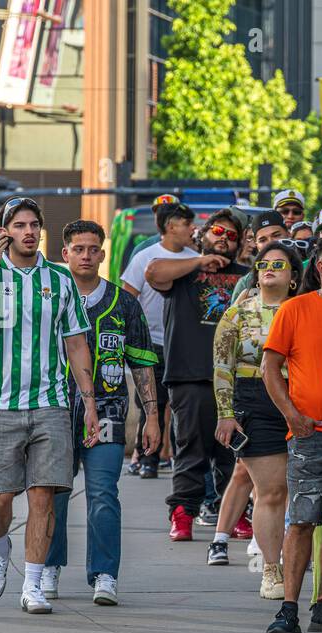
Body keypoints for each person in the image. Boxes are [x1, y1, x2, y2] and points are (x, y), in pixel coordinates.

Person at [0, 197, 98, 614]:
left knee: (44, 496)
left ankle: (35, 584)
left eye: (34, 224)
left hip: (52, 404)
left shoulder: (60, 280)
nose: (28, 231)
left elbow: (76, 344)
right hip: (0, 403)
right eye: (18, 225)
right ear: (3, 232)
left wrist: (89, 403)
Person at [43, 220, 161, 605]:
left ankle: (105, 574)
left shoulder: (124, 303)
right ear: (65, 254)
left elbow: (142, 363)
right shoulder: (50, 297)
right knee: (54, 493)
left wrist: (153, 416)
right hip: (56, 410)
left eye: (94, 249)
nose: (87, 256)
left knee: (104, 493)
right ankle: (48, 566)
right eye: (79, 249)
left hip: (109, 410)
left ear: (103, 255)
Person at [260, 232, 322, 633]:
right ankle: (288, 608)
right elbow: (270, 368)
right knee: (301, 521)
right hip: (309, 433)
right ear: (321, 267)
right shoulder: (295, 309)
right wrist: (292, 416)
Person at [146, 209, 249, 541]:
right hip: (189, 376)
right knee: (190, 449)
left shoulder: (247, 277)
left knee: (234, 454)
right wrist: (198, 263)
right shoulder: (183, 270)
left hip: (237, 379)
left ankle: (231, 514)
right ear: (203, 234)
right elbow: (153, 273)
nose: (224, 238)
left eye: (232, 235)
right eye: (218, 231)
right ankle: (183, 513)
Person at [211, 241, 305, 598]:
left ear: (294, 277)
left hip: (300, 397)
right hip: (253, 400)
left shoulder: (303, 311)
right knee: (271, 489)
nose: (269, 269)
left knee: (300, 490)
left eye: (279, 265)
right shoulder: (237, 314)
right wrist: (225, 414)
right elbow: (222, 368)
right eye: (263, 263)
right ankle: (271, 568)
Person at [121, 201, 198, 478]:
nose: (192, 228)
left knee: (183, 407)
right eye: (186, 223)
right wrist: (131, 338)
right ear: (169, 227)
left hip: (183, 344)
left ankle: (180, 460)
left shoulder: (194, 257)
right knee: (151, 405)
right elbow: (127, 299)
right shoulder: (145, 256)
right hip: (150, 343)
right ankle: (148, 460)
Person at [229, 210, 289, 305]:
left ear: (288, 234)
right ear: (256, 244)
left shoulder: (307, 270)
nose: (270, 243)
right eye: (262, 240)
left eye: (276, 235)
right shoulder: (246, 283)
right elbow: (232, 319)